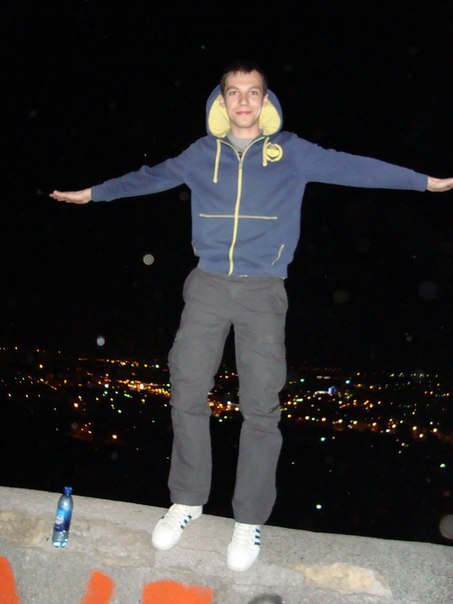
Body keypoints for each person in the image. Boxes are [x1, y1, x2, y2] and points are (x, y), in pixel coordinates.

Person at [50, 61, 453, 572]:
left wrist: (422, 182)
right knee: (187, 389)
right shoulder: (202, 154)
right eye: (234, 92)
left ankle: (248, 520)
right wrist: (94, 193)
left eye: (253, 92)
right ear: (222, 102)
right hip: (208, 286)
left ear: (266, 101)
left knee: (261, 407)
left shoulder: (292, 152)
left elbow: (355, 168)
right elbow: (149, 178)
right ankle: (187, 501)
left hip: (263, 290)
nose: (244, 100)